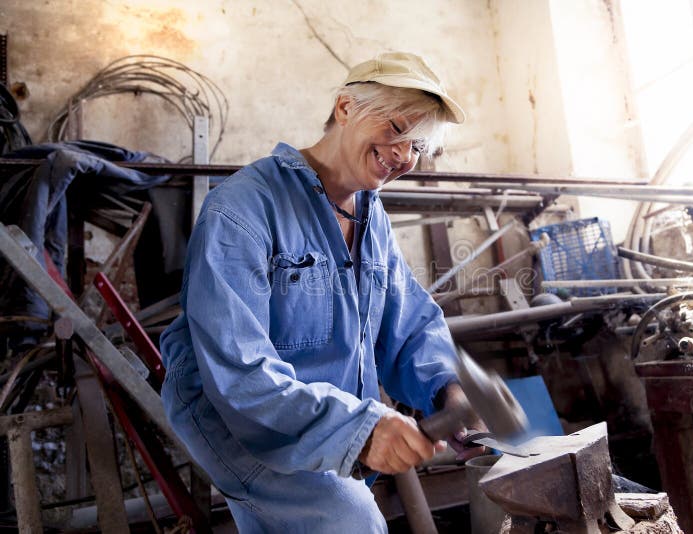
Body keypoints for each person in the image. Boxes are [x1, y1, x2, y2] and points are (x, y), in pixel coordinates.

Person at [160, 51, 485, 533]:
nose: (403, 156)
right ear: (345, 108)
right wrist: (360, 428)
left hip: (319, 417)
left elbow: (408, 324)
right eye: (397, 128)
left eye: (416, 145)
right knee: (349, 520)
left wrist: (449, 393)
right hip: (233, 415)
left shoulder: (372, 219)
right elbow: (240, 371)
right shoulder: (242, 208)